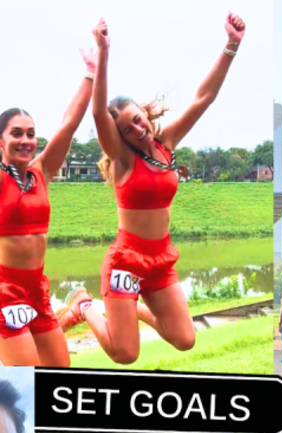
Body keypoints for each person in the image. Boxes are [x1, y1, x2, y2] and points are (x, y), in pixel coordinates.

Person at [63, 15, 247, 364]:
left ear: (145, 114)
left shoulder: (167, 143)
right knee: (125, 354)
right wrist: (103, 53)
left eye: (138, 119)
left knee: (185, 339)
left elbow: (204, 98)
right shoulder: (122, 159)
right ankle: (84, 305)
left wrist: (231, 45)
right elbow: (99, 114)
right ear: (120, 136)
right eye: (127, 129)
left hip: (160, 261)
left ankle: (130, 307)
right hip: (126, 263)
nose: (138, 129)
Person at [0, 48, 95, 366]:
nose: (26, 140)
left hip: (37, 288)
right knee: (27, 382)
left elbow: (68, 125)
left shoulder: (41, 172)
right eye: (16, 133)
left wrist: (91, 73)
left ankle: (69, 312)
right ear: (1, 141)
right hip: (5, 290)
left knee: (59, 372)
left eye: (31, 134)